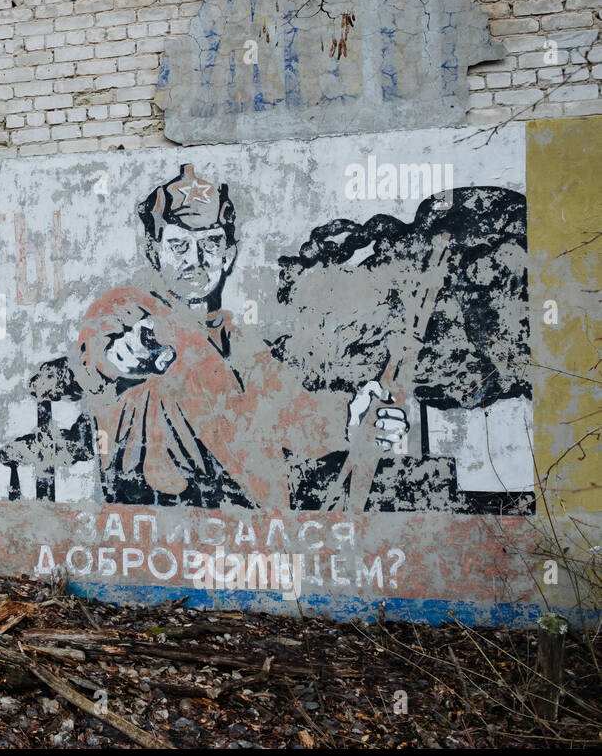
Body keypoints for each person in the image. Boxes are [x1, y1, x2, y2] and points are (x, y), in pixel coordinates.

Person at [73, 163, 407, 509]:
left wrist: (352, 418)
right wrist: (120, 356)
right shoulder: (132, 308)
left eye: (210, 243)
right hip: (156, 520)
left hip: (243, 533)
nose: (196, 260)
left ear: (228, 254)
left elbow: (295, 414)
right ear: (153, 252)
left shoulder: (242, 345)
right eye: (178, 245)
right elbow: (97, 349)